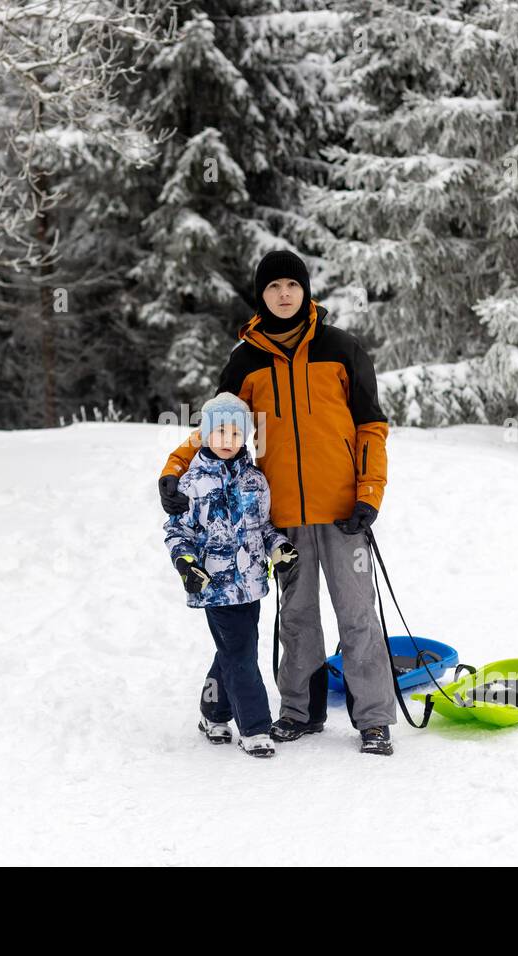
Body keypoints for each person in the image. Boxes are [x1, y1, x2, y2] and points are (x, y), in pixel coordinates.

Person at [158, 250, 399, 756]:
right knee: (296, 618)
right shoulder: (246, 361)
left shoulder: (341, 349)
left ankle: (374, 720)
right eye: (273, 287)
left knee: (357, 615)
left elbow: (371, 428)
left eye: (292, 284)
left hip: (342, 513)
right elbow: (215, 428)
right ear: (261, 295)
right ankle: (299, 712)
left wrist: (369, 494)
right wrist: (174, 470)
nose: (283, 294)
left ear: (305, 290)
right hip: (280, 518)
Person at [163, 391, 300, 758]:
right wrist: (186, 565)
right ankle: (254, 727)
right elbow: (178, 533)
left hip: (252, 583)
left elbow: (264, 527)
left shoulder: (255, 480)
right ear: (206, 434)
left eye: (236, 434)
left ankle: (213, 713)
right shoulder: (191, 483)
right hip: (215, 586)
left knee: (232, 649)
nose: (228, 441)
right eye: (220, 432)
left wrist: (278, 547)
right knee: (241, 652)